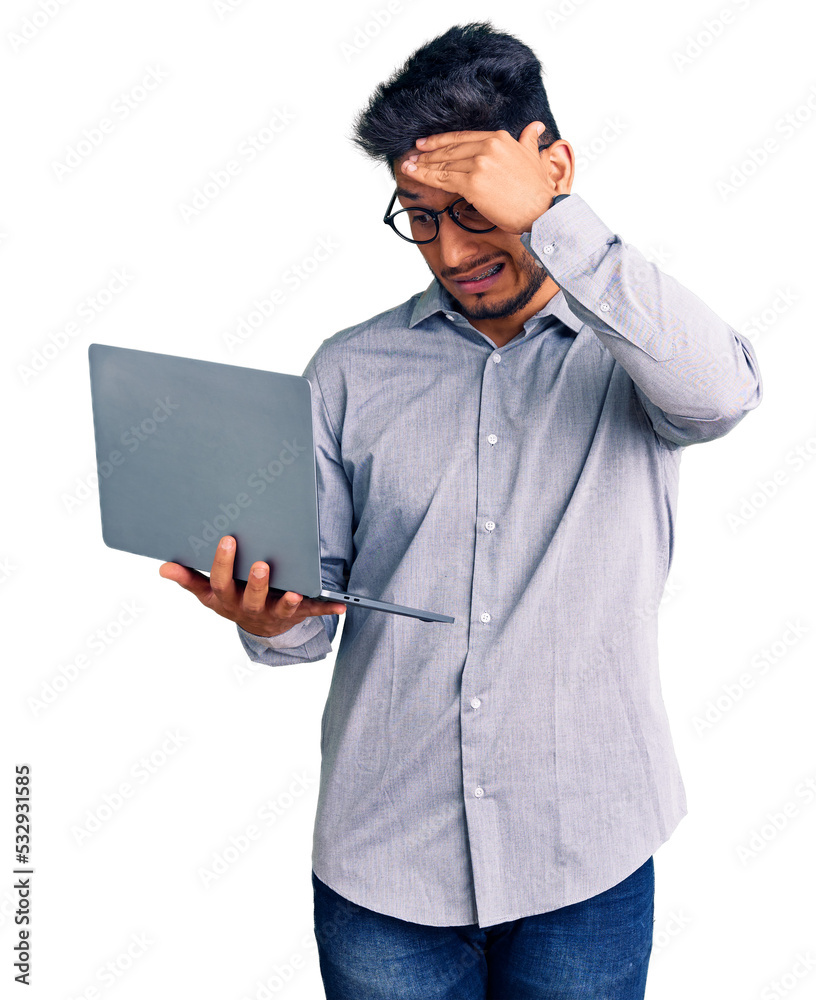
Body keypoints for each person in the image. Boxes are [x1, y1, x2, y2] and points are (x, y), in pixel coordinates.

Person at [159, 20, 762, 1000]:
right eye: (421, 216)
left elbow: (722, 393)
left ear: (550, 169)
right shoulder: (350, 369)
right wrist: (271, 622)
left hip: (586, 859)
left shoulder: (632, 344)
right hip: (383, 865)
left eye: (475, 209)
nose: (448, 250)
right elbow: (310, 624)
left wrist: (557, 223)